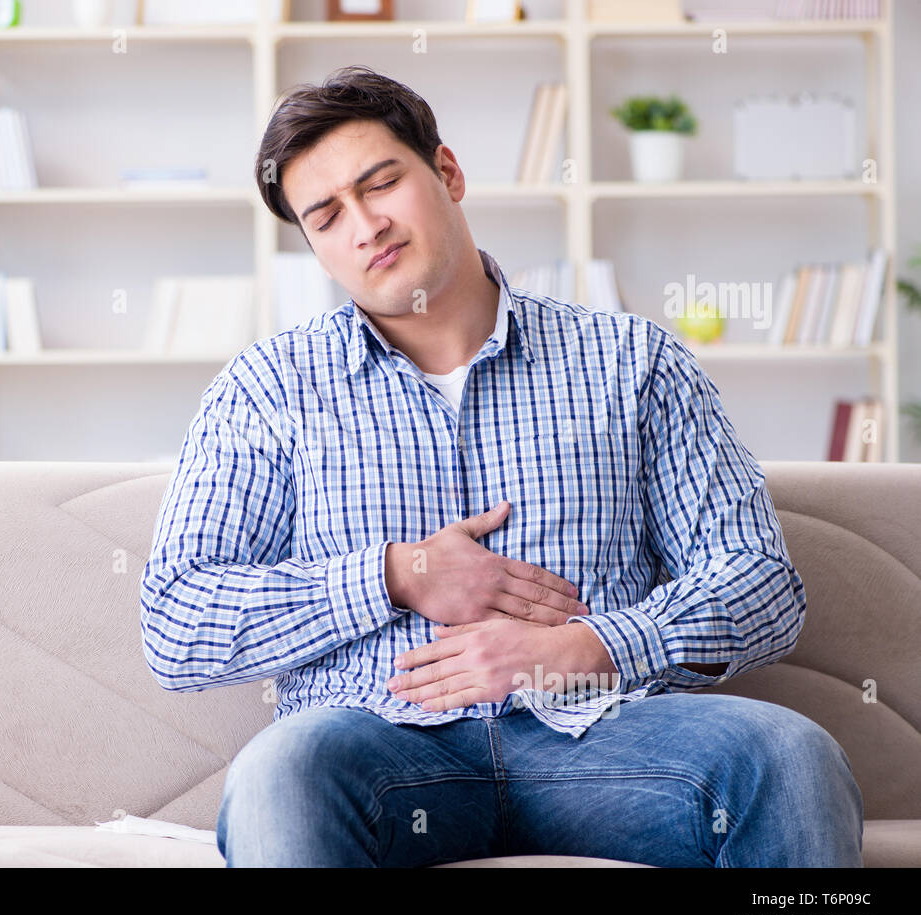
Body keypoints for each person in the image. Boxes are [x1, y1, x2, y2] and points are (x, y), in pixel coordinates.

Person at [138, 66, 863, 867]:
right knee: (281, 773)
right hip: (377, 752)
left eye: (381, 184)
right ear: (313, 244)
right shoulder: (266, 389)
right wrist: (395, 575)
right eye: (327, 216)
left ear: (446, 172)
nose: (365, 225)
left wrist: (593, 645)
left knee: (790, 756)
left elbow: (760, 581)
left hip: (608, 741)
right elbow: (176, 622)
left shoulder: (631, 361)